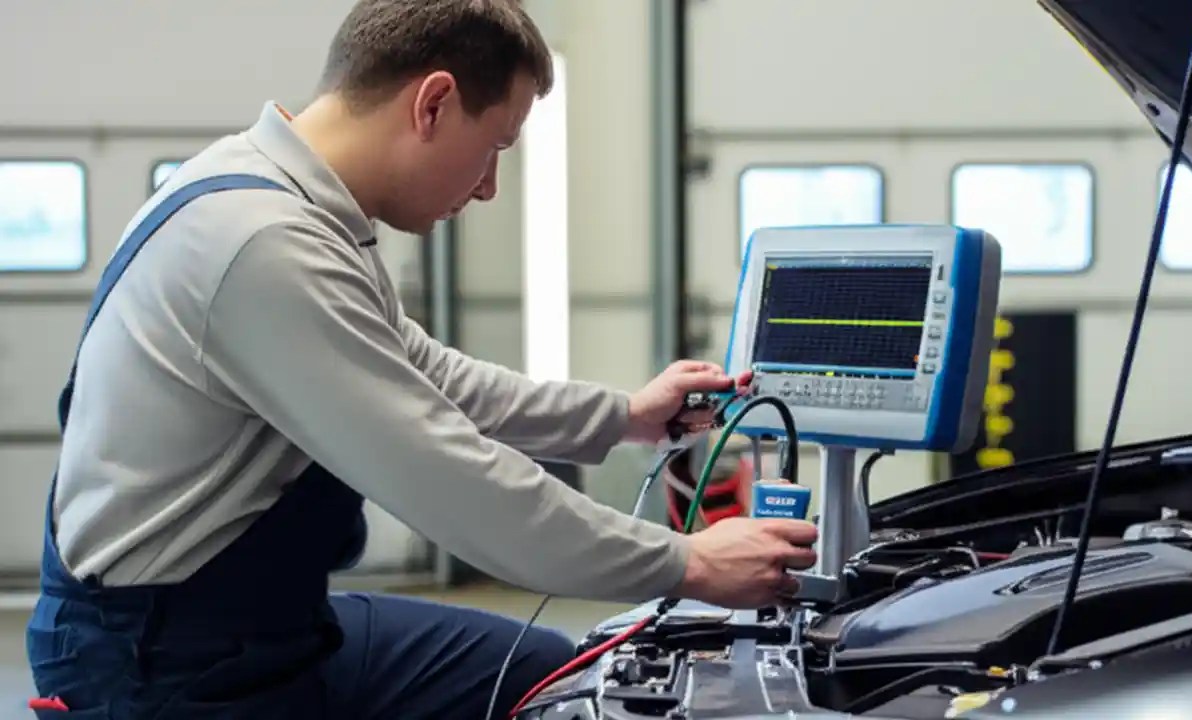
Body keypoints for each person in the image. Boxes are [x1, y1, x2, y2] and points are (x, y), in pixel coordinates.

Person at [25, 0, 819, 718]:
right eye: (495, 147)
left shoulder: (294, 200)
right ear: (433, 103)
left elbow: (425, 373)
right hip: (155, 669)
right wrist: (685, 562)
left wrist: (623, 417)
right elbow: (454, 481)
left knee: (555, 678)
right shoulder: (263, 245)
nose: (489, 189)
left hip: (267, 625)